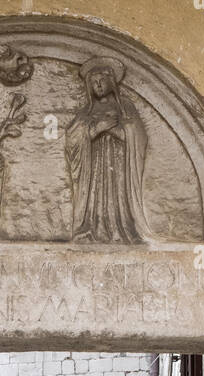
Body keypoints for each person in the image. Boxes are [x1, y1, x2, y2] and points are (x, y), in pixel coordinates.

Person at [65, 57, 152, 243]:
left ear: (111, 81)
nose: (97, 86)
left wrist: (116, 130)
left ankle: (120, 230)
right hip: (94, 164)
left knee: (118, 197)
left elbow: (138, 134)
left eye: (101, 81)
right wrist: (96, 129)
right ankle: (90, 227)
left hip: (119, 162)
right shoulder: (87, 110)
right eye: (94, 83)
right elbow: (73, 136)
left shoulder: (125, 106)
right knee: (94, 197)